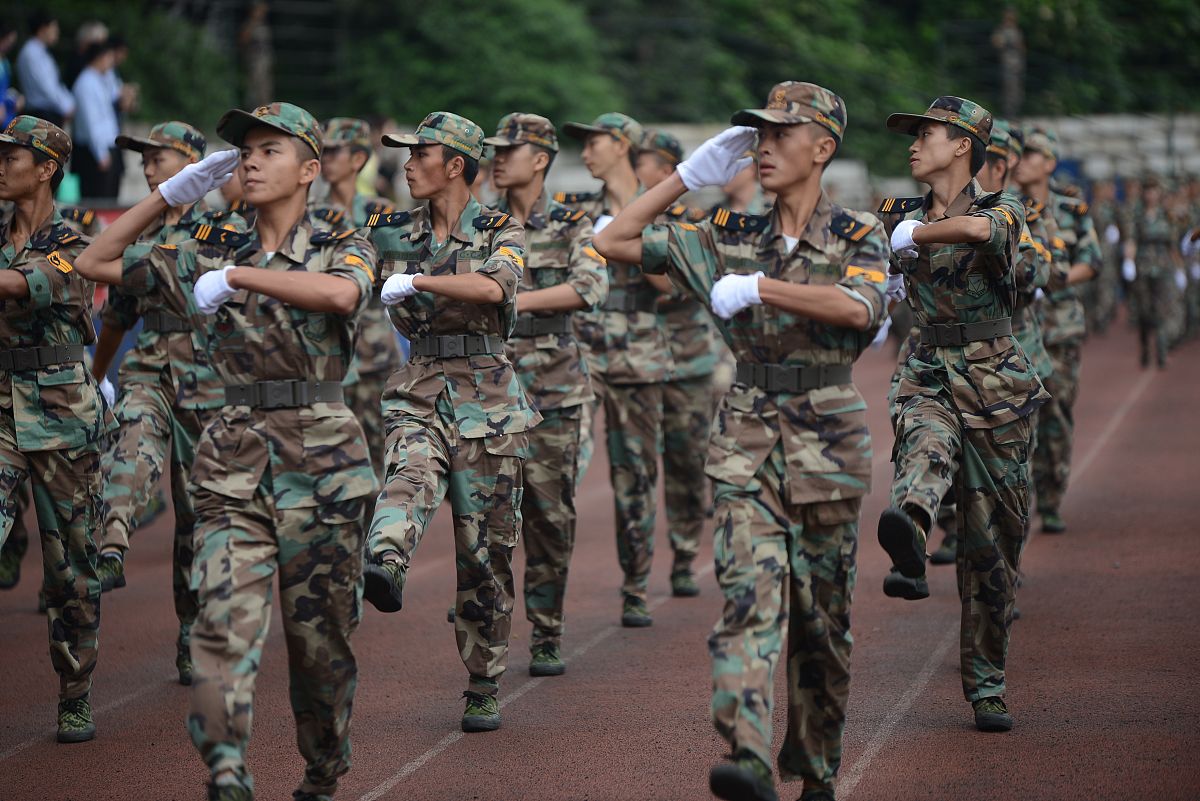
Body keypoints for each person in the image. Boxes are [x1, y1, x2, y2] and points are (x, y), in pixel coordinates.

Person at [596, 80, 888, 801]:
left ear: (823, 147)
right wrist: (684, 178)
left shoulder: (857, 231)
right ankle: (750, 754)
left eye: (782, 134)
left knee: (821, 625)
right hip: (747, 440)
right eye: (758, 135)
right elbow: (611, 240)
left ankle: (816, 769)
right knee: (747, 602)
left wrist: (762, 288)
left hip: (827, 442)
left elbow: (859, 307)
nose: (764, 146)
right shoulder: (727, 233)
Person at [77, 101, 377, 801]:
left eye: (271, 150)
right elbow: (93, 260)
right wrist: (168, 195)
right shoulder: (209, 241)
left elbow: (340, 294)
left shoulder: (341, 235)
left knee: (320, 647)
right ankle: (226, 770)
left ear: (309, 169)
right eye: (245, 150)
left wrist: (242, 278)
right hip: (233, 457)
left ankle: (324, 763)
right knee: (221, 625)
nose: (251, 161)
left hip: (324, 462)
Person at [874, 97, 1048, 733]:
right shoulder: (892, 211)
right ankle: (912, 535)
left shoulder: (1003, 206)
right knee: (925, 443)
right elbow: (854, 253)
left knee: (993, 549)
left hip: (995, 381)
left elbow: (981, 234)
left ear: (964, 145)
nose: (914, 144)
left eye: (928, 133)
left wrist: (915, 237)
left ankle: (987, 682)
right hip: (927, 369)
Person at [360, 111, 536, 733]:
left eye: (420, 155)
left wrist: (417, 280)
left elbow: (496, 287)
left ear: (455, 165)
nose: (407, 165)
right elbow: (343, 267)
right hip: (420, 384)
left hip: (488, 400)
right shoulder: (389, 229)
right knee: (408, 469)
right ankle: (385, 560)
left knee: (484, 553)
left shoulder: (500, 228)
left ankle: (483, 680)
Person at [73, 121, 239, 689]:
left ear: (192, 162)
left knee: (195, 513)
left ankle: (192, 630)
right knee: (132, 441)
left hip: (209, 378)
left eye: (158, 157)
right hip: (150, 370)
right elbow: (117, 317)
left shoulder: (224, 228)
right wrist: (97, 382)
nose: (147, 167)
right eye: (142, 160)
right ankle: (111, 547)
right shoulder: (137, 231)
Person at [0, 115, 115, 743]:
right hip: (1, 407)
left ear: (46, 168)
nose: (0, 167)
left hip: (62, 416)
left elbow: (25, 284)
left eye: (11, 157)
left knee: (71, 571)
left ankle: (75, 691)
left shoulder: (76, 239)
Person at [484, 112, 608, 676]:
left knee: (550, 518)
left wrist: (506, 297)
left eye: (508, 150)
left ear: (539, 160)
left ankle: (547, 630)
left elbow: (589, 287)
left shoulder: (572, 223)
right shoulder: (479, 223)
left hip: (553, 391)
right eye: (493, 150)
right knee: (486, 520)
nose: (497, 159)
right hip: (487, 391)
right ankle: (487, 632)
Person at [559, 112, 672, 626]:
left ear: (623, 144)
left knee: (635, 476)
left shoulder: (660, 206)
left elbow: (675, 284)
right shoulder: (574, 211)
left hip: (638, 354)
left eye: (595, 142)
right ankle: (523, 587)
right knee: (561, 463)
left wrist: (627, 241)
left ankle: (636, 584)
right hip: (580, 350)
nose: (586, 152)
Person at [635, 127, 717, 596]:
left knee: (687, 464)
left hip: (688, 362)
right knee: (637, 471)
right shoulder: (625, 216)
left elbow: (675, 285)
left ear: (668, 170)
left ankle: (685, 556)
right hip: (637, 363)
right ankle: (637, 573)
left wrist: (637, 250)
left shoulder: (694, 220)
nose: (636, 169)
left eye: (644, 162)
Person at [310, 117, 400, 522]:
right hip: (327, 353)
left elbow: (404, 272)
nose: (326, 159)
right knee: (330, 459)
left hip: (374, 351)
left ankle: (377, 543)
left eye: (334, 151)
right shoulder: (310, 214)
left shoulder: (381, 214)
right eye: (323, 152)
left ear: (359, 158)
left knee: (380, 454)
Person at [1012, 127, 1100, 533]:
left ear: (1049, 163)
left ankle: (1051, 500)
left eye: (1032, 155)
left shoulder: (1071, 209)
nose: (1022, 161)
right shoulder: (1008, 207)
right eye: (1020, 154)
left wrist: (1056, 279)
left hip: (1060, 327)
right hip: (1020, 329)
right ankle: (1019, 500)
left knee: (1057, 414)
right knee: (1018, 416)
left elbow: (1091, 261)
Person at [1123, 177, 1177, 368]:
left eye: (1154, 190)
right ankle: (1145, 348)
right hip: (1143, 269)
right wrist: (1129, 261)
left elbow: (1173, 244)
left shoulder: (1166, 215)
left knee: (1161, 311)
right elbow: (1131, 240)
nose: (1151, 195)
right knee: (1144, 312)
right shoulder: (1137, 215)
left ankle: (1162, 353)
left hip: (1162, 269)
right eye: (1148, 190)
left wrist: (1179, 268)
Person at [71, 40, 120, 200]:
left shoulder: (99, 80)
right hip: (92, 151)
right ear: (100, 57)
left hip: (104, 147)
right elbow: (91, 122)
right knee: (96, 199)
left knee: (108, 197)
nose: (111, 62)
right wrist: (100, 153)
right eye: (109, 57)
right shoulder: (86, 83)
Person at [15, 12, 74, 127]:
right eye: (54, 28)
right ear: (43, 29)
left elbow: (54, 85)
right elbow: (46, 87)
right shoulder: (31, 53)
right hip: (41, 115)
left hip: (48, 113)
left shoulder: (40, 52)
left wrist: (69, 104)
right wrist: (66, 106)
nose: (57, 32)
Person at [1, 21, 24, 128]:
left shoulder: (5, 62)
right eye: (8, 40)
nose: (9, 45)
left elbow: (5, 90)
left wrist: (15, 97)